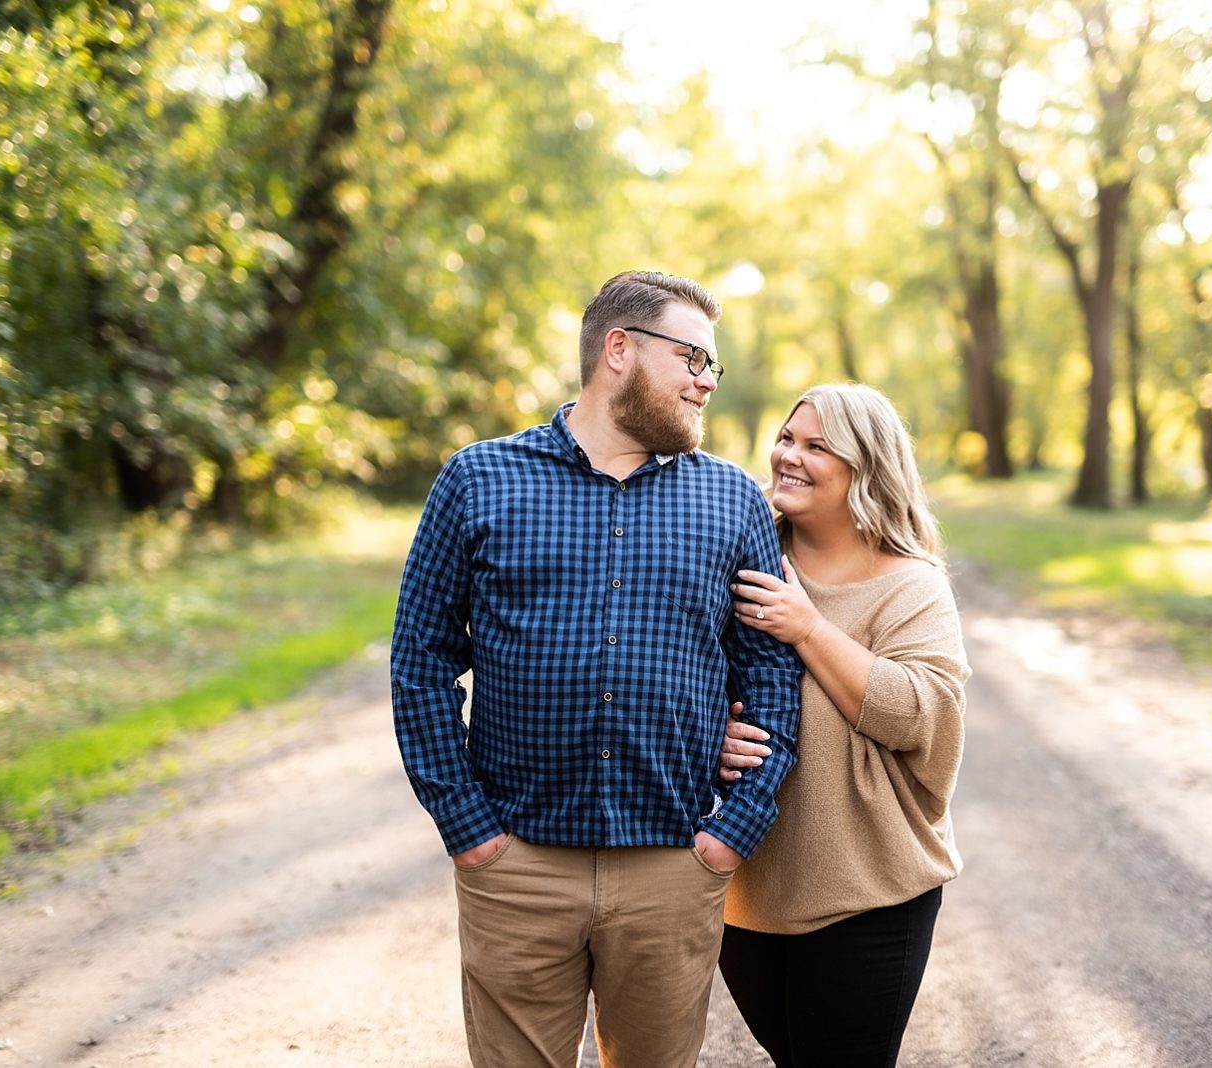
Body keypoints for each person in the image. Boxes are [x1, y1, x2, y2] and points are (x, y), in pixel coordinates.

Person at [390, 270, 803, 1068]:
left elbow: (771, 677)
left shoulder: (733, 501)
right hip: (516, 866)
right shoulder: (478, 480)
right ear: (619, 349)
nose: (707, 381)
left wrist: (730, 833)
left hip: (673, 868)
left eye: (713, 367)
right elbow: (420, 664)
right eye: (693, 359)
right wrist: (469, 831)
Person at [714, 383, 970, 1067]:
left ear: (867, 468)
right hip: (750, 893)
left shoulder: (910, 585)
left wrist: (809, 628)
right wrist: (712, 738)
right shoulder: (743, 561)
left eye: (817, 447)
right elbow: (680, 686)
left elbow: (925, 718)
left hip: (872, 896)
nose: (787, 456)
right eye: (788, 438)